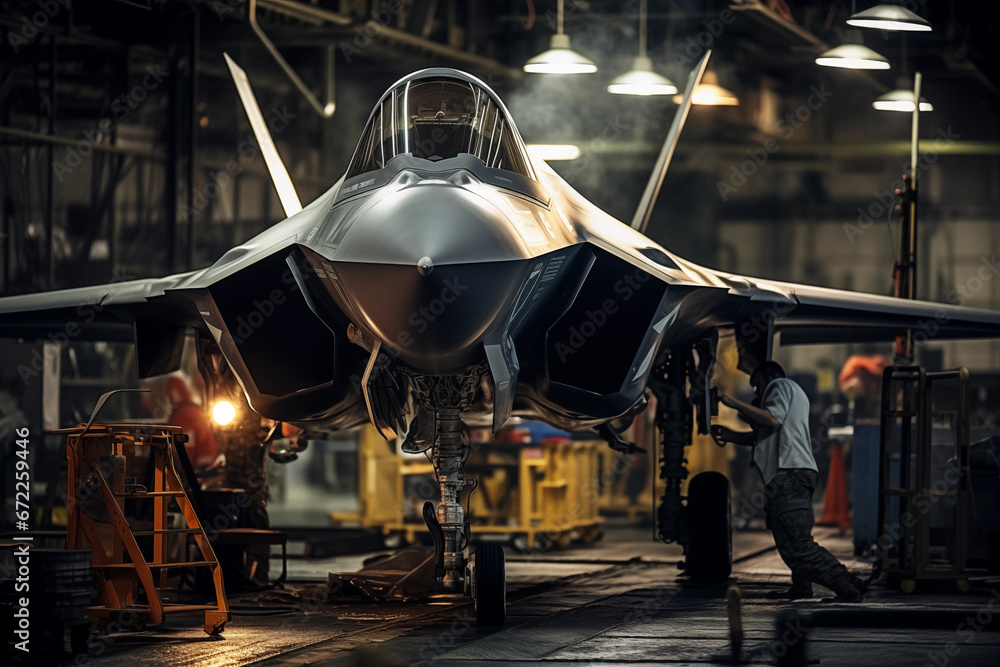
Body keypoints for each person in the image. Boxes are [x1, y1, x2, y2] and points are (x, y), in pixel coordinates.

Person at [713, 361, 866, 601]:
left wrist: (729, 401)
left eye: (757, 385)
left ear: (769, 377)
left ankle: (845, 586)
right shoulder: (793, 394)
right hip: (796, 472)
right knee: (793, 537)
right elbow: (769, 433)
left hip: (789, 474)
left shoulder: (779, 385)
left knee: (797, 545)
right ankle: (806, 586)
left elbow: (772, 420)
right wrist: (730, 435)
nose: (757, 391)